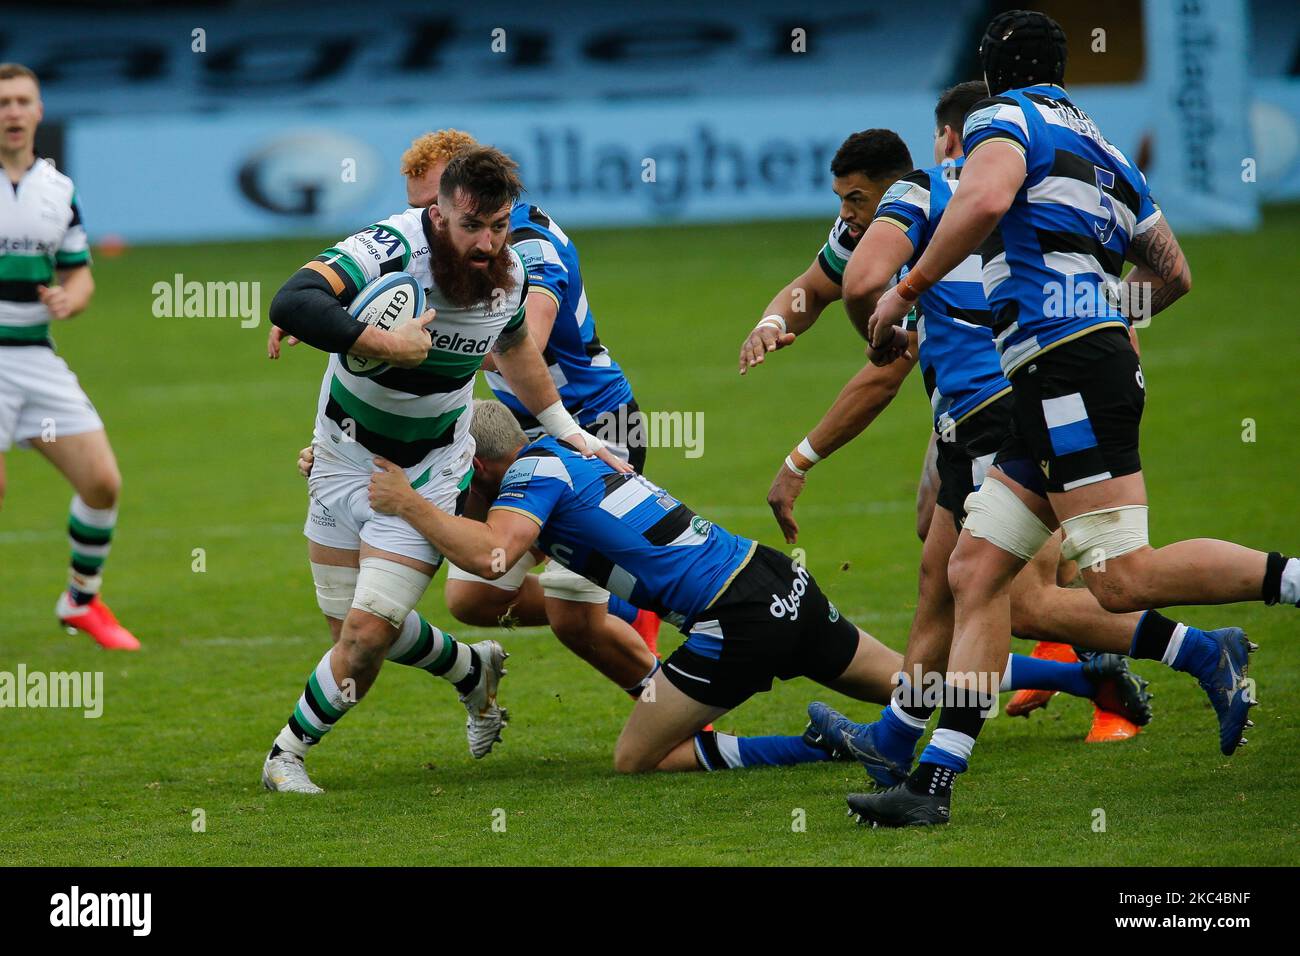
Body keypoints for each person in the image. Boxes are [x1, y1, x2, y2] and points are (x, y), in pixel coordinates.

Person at [855, 9, 1294, 826]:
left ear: (994, 71)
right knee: (975, 573)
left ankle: (1274, 596)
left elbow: (985, 197)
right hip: (1062, 370)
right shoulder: (1106, 148)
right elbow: (1174, 273)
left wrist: (907, 290)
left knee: (1119, 576)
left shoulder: (1003, 116)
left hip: (1064, 371)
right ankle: (932, 788)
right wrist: (1111, 317)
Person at [366, 400, 1143, 774]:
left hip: (728, 620)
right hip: (774, 576)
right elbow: (486, 549)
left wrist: (404, 505)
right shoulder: (566, 458)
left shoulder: (527, 480)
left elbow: (493, 561)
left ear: (484, 464)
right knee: (914, 680)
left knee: (641, 760)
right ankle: (1083, 677)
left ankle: (817, 746)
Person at [259, 146, 629, 793]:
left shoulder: (510, 275)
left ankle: (285, 755)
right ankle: (470, 670)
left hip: (425, 473)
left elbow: (516, 350)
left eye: (499, 226)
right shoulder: (391, 246)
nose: (488, 243)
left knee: (366, 639)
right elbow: (293, 301)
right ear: (439, 213)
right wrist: (377, 341)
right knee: (350, 633)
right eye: (473, 227)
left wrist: (571, 433)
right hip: (338, 461)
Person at [735, 128, 940, 543]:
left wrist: (798, 462)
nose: (845, 212)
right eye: (841, 198)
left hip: (1008, 389)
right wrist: (771, 324)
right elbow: (811, 290)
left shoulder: (936, 232)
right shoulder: (861, 230)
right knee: (933, 526)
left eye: (857, 199)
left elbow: (885, 375)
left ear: (895, 191)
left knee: (980, 566)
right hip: (966, 397)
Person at [0, 63, 138, 650]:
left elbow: (80, 275)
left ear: (39, 110)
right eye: (2, 101)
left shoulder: (58, 189)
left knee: (102, 482)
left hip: (35, 356)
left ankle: (81, 600)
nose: (11, 112)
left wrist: (68, 299)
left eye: (22, 101)